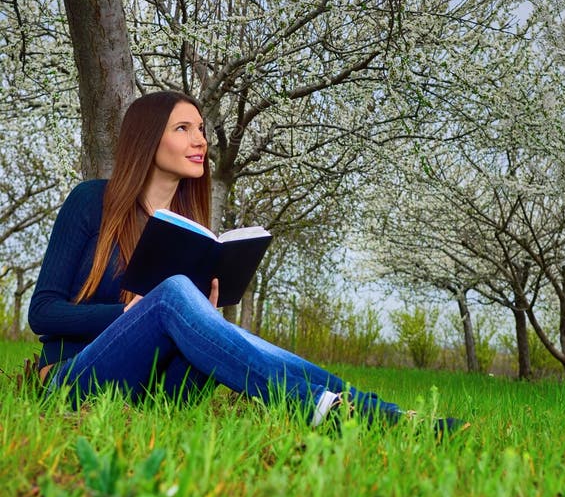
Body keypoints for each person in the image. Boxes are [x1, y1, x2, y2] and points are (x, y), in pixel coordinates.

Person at [29, 90, 466, 435]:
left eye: (200, 128)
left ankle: (383, 414)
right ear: (146, 138)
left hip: (160, 394)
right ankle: (321, 408)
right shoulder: (91, 202)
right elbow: (43, 312)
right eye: (183, 128)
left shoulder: (185, 228)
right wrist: (130, 313)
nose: (200, 140)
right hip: (74, 380)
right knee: (174, 294)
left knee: (212, 319)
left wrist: (202, 317)